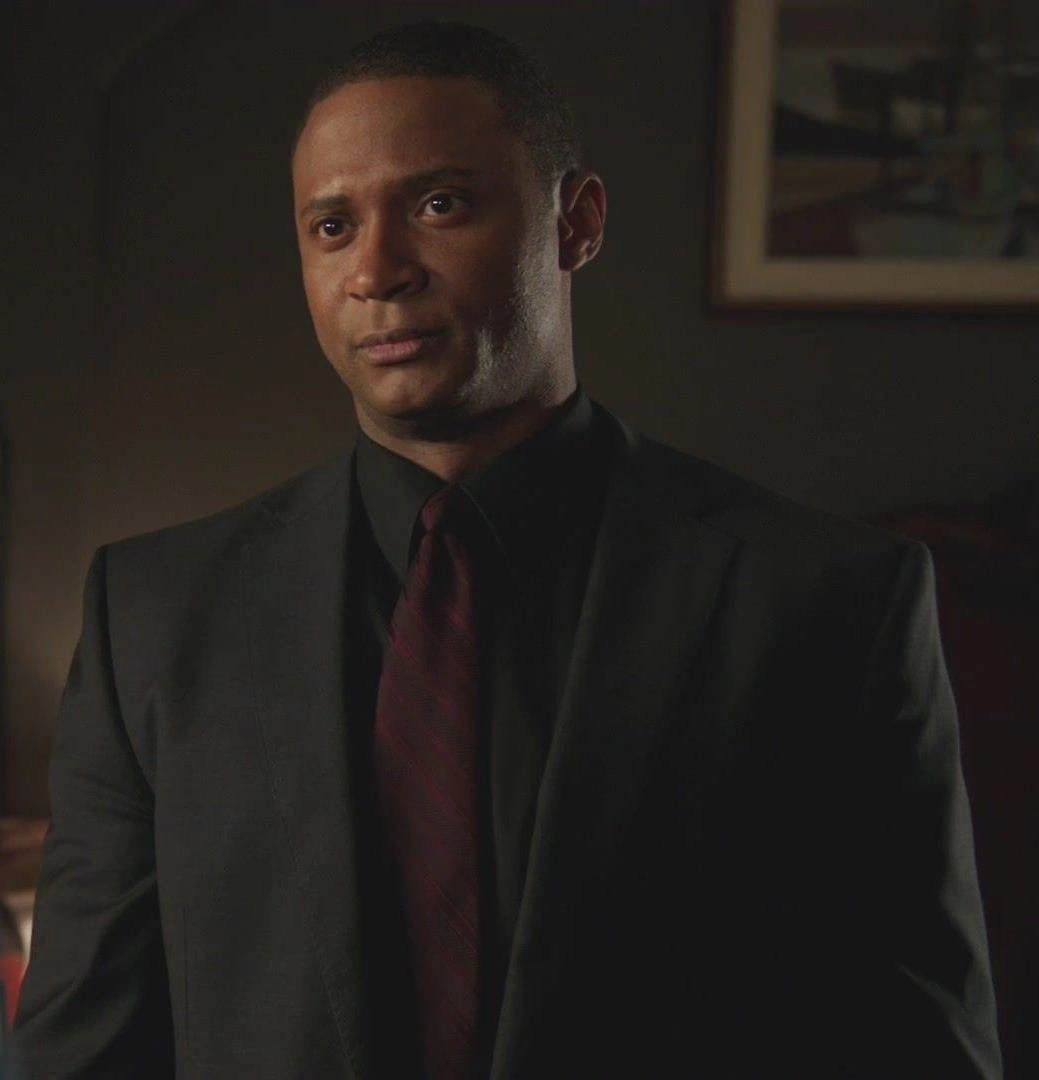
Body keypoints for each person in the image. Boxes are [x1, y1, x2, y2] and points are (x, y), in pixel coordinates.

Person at [15, 21, 1001, 1080]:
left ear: (577, 223)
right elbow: (82, 1053)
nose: (377, 270)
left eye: (439, 205)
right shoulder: (152, 615)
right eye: (333, 225)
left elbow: (917, 1049)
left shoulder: (823, 600)